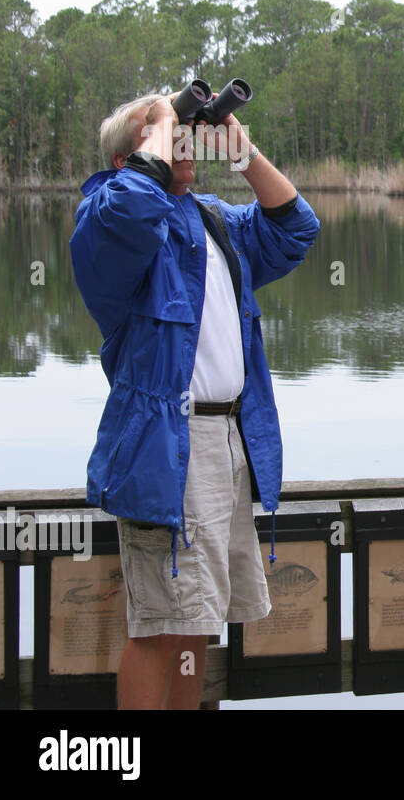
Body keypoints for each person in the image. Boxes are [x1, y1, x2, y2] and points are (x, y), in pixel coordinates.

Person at [70, 90, 319, 709]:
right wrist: (157, 119)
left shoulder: (212, 218)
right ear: (132, 157)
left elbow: (295, 229)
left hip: (231, 437)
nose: (181, 139)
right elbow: (129, 210)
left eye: (182, 131)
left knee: (196, 621)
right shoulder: (106, 217)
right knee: (158, 623)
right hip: (168, 448)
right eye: (166, 134)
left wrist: (240, 150)